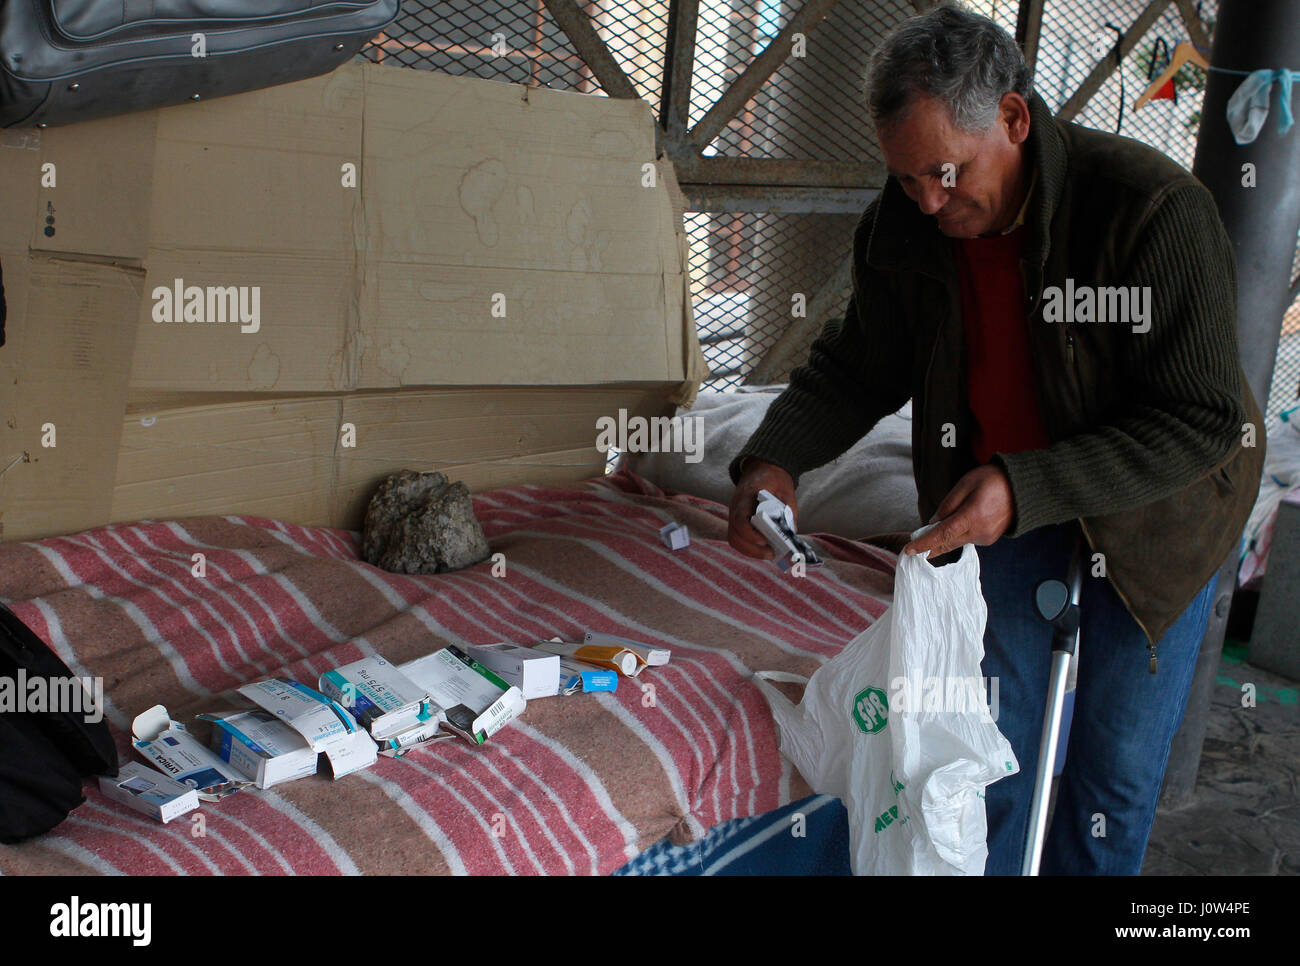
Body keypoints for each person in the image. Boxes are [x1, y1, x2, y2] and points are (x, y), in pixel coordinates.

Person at [727, 2, 1264, 875]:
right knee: (982, 753)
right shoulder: (905, 224)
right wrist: (773, 460)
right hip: (999, 512)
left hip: (1155, 520)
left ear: (1014, 118)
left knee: (1113, 776)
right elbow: (857, 364)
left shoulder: (1151, 210)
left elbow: (1204, 419)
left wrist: (1025, 486)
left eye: (945, 172)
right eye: (906, 179)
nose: (929, 202)